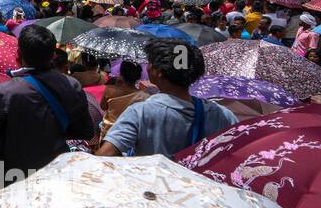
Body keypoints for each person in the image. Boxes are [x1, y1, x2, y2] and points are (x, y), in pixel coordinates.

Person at [0, 25, 96, 180]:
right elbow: (85, 132)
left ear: (19, 53)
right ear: (53, 55)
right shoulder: (72, 85)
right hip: (54, 170)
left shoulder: (5, 91)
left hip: (11, 174)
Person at [96, 38, 238, 158]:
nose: (147, 67)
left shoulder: (140, 112)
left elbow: (105, 154)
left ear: (159, 72)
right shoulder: (223, 115)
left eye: (150, 62)